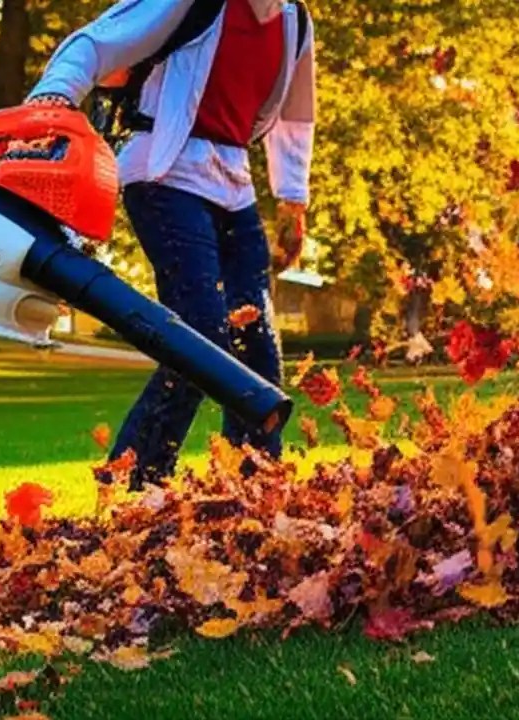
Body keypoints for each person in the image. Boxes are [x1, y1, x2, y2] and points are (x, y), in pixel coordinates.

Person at [25, 0, 316, 490]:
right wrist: (55, 97)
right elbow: (98, 42)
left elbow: (295, 115)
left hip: (234, 184)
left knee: (259, 350)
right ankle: (133, 486)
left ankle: (258, 493)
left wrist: (292, 199)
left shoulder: (295, 22)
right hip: (165, 171)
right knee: (201, 337)